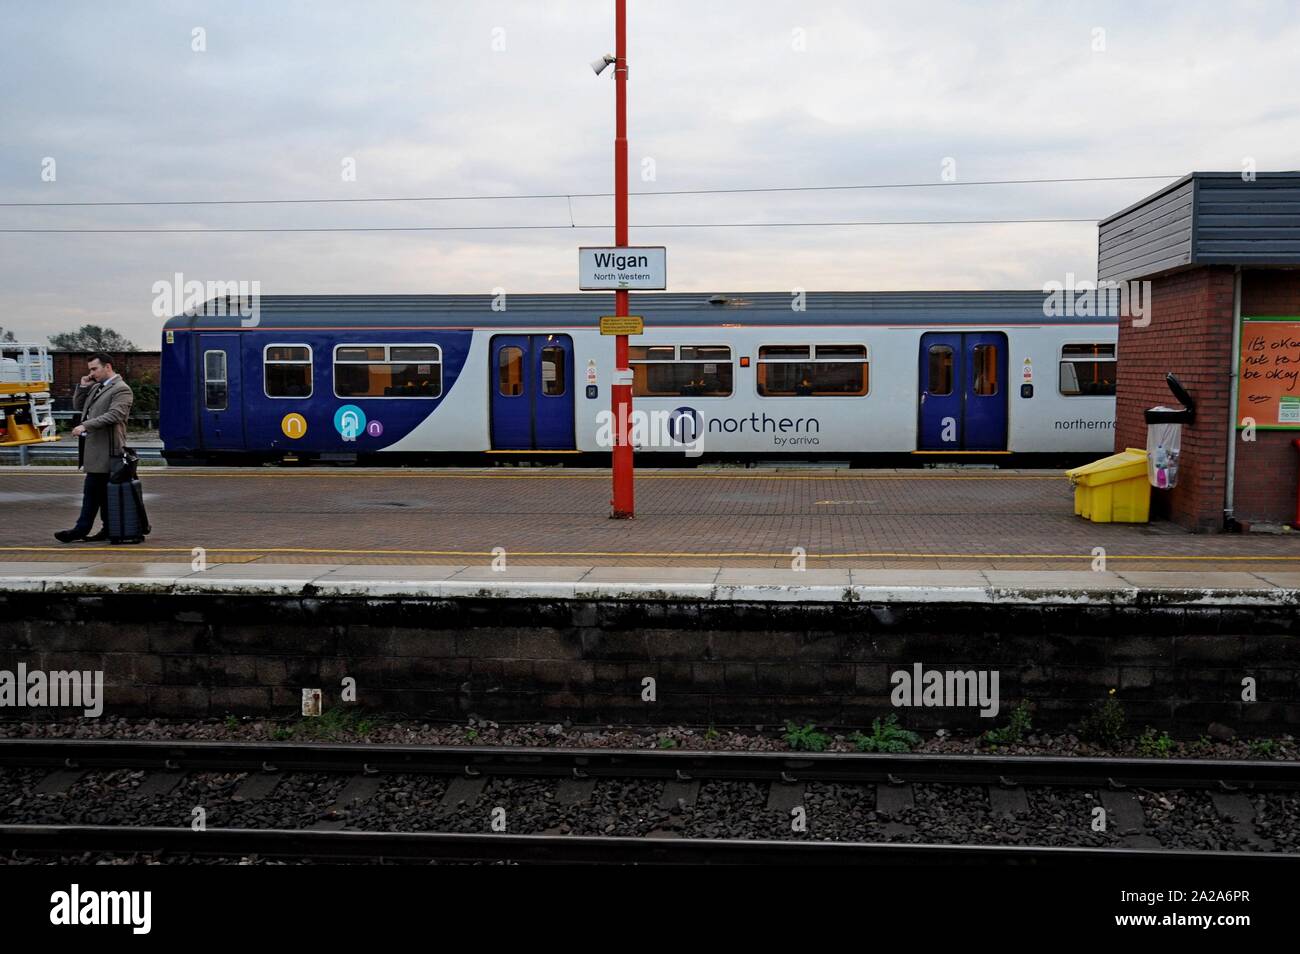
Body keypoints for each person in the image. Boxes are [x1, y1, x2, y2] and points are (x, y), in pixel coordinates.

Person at [55, 353, 134, 542]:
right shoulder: (98, 387)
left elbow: (115, 415)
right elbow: (79, 405)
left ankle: (80, 530)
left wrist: (86, 426)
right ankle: (107, 529)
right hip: (95, 449)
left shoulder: (121, 389)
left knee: (91, 492)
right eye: (90, 369)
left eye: (94, 369)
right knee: (104, 494)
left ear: (108, 367)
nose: (92, 373)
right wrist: (83, 386)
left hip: (108, 450)